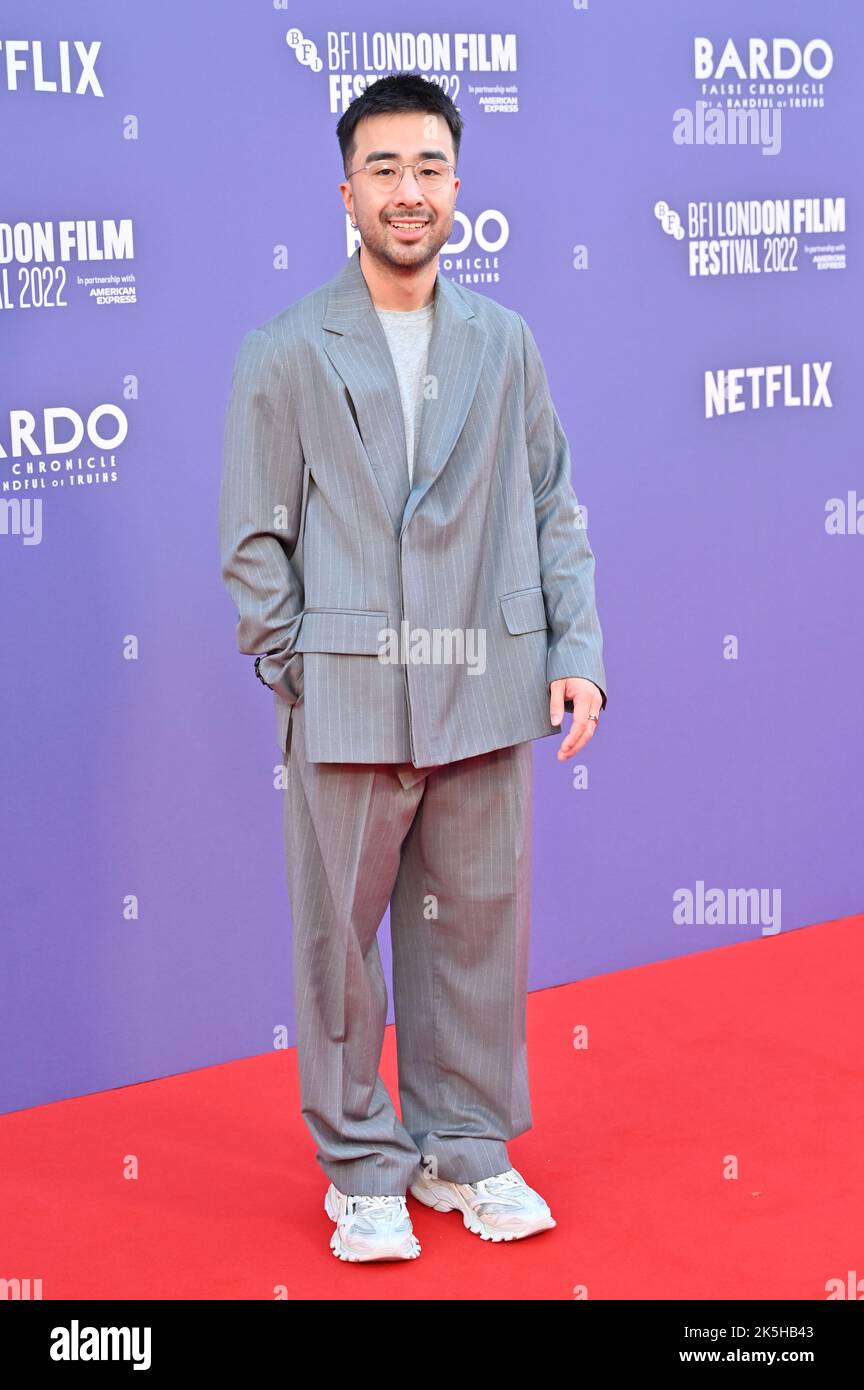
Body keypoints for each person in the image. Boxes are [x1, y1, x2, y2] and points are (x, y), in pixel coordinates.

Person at [219, 72, 607, 1263]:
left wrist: (575, 648)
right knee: (339, 952)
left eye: (429, 168)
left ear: (458, 189)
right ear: (348, 193)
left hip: (487, 692)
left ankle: (467, 1152)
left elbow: (552, 504)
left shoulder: (506, 342)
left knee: (479, 940)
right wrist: (304, 667)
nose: (409, 190)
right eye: (384, 169)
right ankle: (363, 1167)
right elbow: (254, 541)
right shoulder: (285, 351)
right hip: (346, 703)